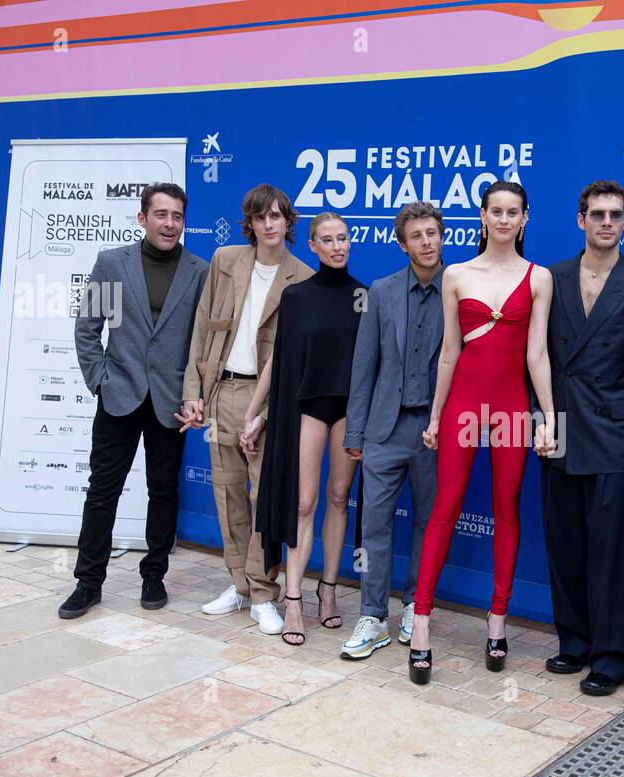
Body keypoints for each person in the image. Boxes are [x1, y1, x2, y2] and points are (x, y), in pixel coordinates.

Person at [405, 181, 556, 684]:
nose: (505, 219)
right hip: (462, 405)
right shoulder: (455, 274)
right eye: (497, 211)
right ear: (483, 216)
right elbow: (449, 352)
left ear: (525, 218)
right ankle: (421, 623)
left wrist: (548, 418)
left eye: (514, 212)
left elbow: (537, 355)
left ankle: (497, 622)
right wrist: (434, 416)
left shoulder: (540, 279)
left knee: (507, 509)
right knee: (444, 508)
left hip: (513, 407)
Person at [538, 180, 624, 696]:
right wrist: (537, 422)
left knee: (611, 551)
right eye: (597, 214)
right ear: (580, 219)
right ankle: (575, 642)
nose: (606, 223)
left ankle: (613, 657)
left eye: (615, 215)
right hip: (559, 427)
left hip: (614, 432)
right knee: (564, 543)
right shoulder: (551, 277)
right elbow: (536, 360)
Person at [62, 183, 208, 619]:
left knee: (163, 492)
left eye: (177, 216)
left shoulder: (199, 271)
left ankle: (154, 575)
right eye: (161, 214)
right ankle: (88, 583)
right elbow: (88, 327)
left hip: (171, 402)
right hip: (119, 397)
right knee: (102, 492)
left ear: (184, 221)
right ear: (143, 218)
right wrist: (100, 382)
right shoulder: (113, 263)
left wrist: (194, 394)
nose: (169, 223)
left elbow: (202, 344)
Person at [177, 184, 313, 635]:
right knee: (228, 494)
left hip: (267, 401)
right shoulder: (225, 261)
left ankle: (262, 592)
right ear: (250, 223)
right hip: (222, 393)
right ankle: (238, 585)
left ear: (288, 222)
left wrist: (267, 412)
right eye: (261, 217)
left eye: (277, 216)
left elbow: (294, 360)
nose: (270, 224)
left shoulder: (304, 278)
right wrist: (194, 390)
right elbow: (202, 325)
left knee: (264, 500)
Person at [241, 213, 366, 646]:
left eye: (343, 239)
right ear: (312, 245)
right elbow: (279, 359)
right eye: (327, 240)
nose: (337, 246)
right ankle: (292, 599)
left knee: (337, 498)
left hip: (349, 408)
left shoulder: (364, 296)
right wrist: (255, 412)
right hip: (307, 406)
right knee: (304, 503)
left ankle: (327, 590)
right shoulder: (296, 296)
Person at [340, 203, 446, 659]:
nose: (426, 242)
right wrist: (355, 433)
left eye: (432, 233)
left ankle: (415, 608)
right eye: (417, 236)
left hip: (436, 431)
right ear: (402, 245)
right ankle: (372, 615)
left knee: (429, 524)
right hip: (384, 428)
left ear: (442, 237)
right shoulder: (380, 292)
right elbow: (364, 367)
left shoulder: (461, 289)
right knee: (374, 526)